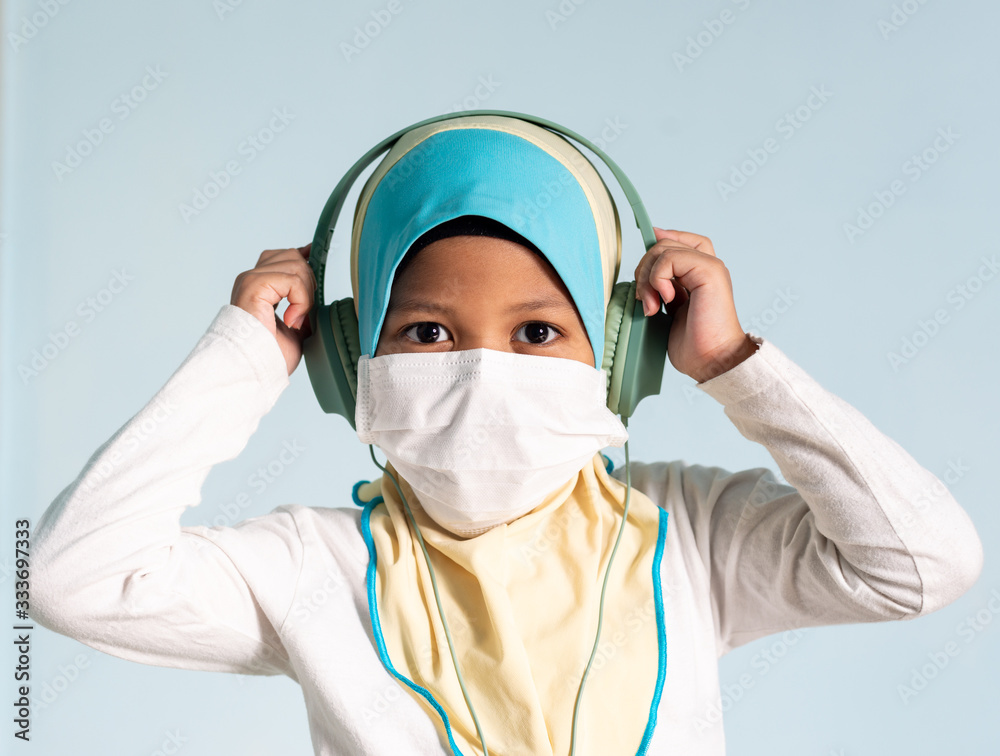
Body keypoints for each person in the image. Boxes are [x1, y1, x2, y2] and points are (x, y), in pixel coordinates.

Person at [29, 115, 984, 756]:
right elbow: (72, 577)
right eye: (428, 333)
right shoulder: (310, 570)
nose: (484, 371)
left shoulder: (688, 535)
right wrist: (242, 358)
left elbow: (921, 561)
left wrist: (734, 362)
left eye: (538, 333)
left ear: (615, 359)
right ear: (350, 366)